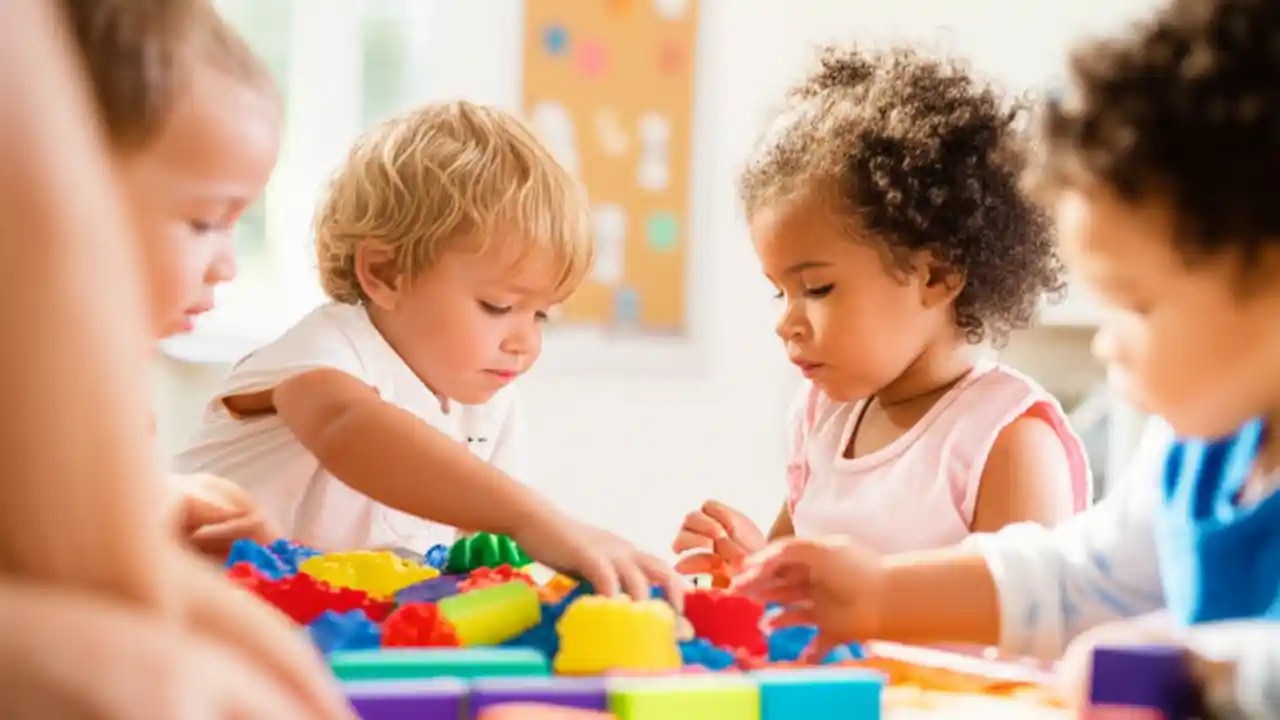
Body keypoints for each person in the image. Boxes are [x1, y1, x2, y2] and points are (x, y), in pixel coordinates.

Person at [733, 1, 1280, 716]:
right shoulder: (1195, 457)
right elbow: (1075, 578)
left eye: (1137, 305)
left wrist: (1207, 673)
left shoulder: (1011, 433)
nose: (1104, 341)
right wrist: (877, 593)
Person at [175, 101, 680, 601]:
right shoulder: (331, 347)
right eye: (497, 305)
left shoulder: (488, 405)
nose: (524, 342)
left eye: (541, 314)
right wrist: (536, 519)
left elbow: (479, 558)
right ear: (384, 274)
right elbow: (347, 428)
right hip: (188, 611)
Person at [675, 45, 1089, 578]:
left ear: (936, 276)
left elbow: (1023, 628)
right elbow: (790, 593)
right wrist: (751, 564)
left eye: (817, 288)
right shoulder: (821, 419)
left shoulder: (1006, 439)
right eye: (780, 292)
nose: (785, 322)